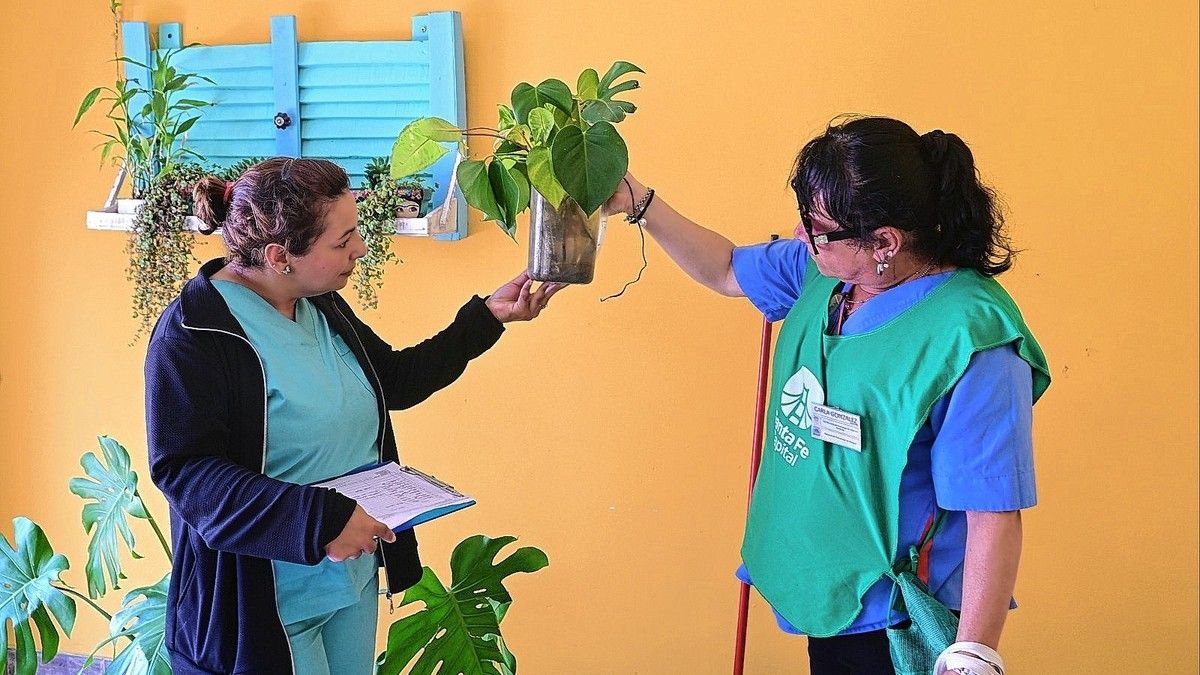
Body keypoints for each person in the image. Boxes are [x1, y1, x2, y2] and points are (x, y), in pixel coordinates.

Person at [605, 116, 1050, 675]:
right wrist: (636, 200)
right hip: (827, 593)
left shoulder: (971, 339)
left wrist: (973, 655)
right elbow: (721, 269)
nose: (799, 237)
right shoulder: (829, 275)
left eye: (817, 227)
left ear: (885, 242)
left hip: (897, 618)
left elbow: (993, 514)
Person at [145, 157, 564, 675]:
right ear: (281, 256)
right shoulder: (194, 334)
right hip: (263, 602)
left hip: (349, 579)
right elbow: (187, 474)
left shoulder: (316, 301)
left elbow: (392, 380)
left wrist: (484, 321)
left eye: (357, 232)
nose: (360, 250)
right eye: (342, 243)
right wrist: (320, 520)